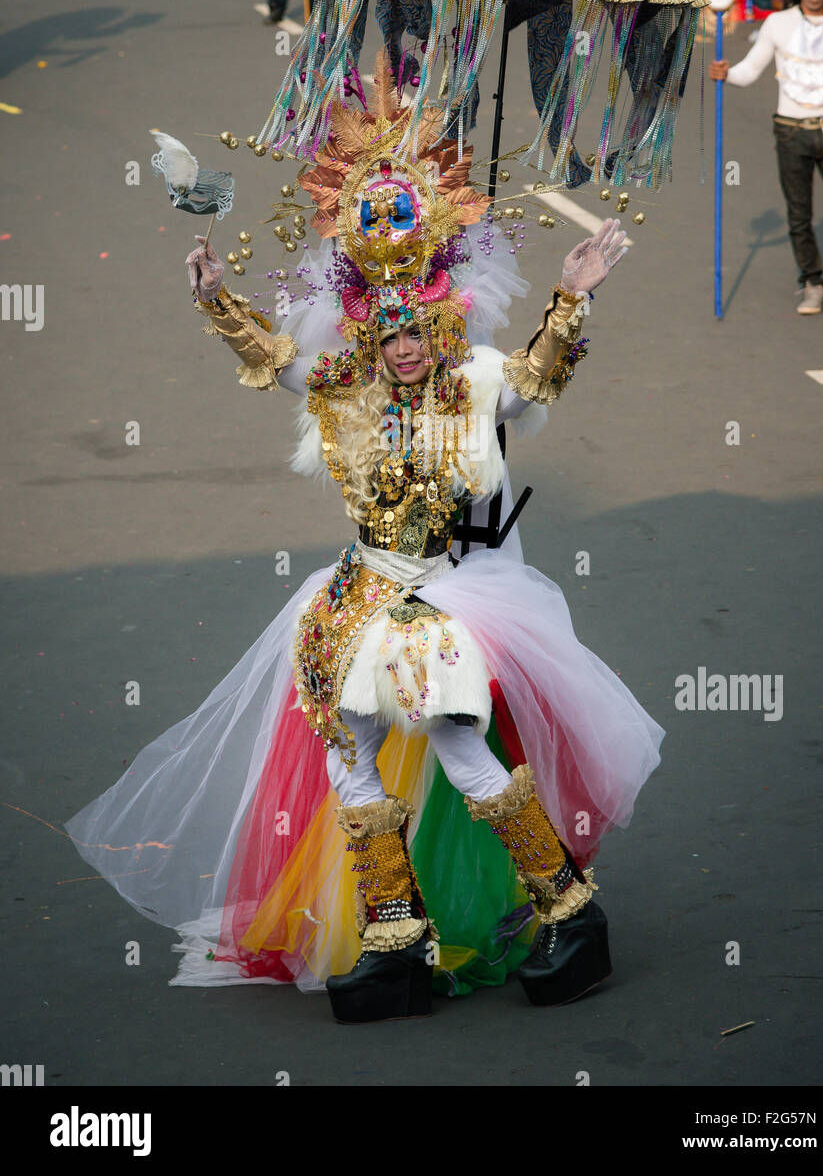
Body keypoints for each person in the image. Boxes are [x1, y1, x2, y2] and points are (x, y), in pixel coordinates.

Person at [66, 52, 664, 1022]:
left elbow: (535, 379)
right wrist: (215, 297)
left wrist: (574, 292)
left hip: (435, 597)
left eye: (415, 329)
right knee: (348, 750)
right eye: (385, 333)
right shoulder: (346, 386)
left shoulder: (471, 379)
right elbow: (275, 362)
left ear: (438, 318)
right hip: (354, 599)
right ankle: (393, 936)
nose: (401, 344)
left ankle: (570, 914)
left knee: (460, 748)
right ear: (366, 333)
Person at [709, 0, 823, 316]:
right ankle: (811, 282)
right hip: (791, 132)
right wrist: (726, 73)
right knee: (799, 214)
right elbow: (749, 71)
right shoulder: (778, 24)